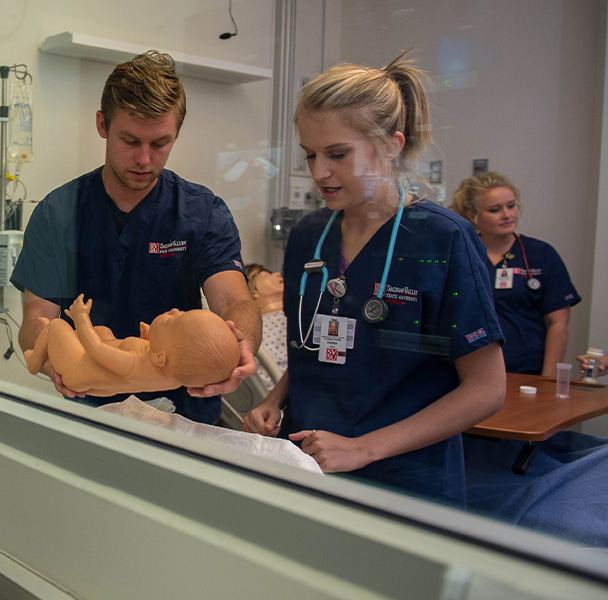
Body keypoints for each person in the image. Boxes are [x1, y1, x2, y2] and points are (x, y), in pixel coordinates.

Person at [242, 53, 506, 505]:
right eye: (310, 154)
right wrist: (274, 400)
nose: (318, 172)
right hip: (309, 466)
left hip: (405, 484)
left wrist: (364, 448)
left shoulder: (443, 239)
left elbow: (487, 390)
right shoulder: (308, 236)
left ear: (390, 145)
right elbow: (313, 347)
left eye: (337, 154)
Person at [9, 50, 260, 424]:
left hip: (184, 416)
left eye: (160, 144)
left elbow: (234, 301)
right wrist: (50, 362)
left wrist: (241, 344)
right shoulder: (57, 214)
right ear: (102, 125)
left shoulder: (201, 212)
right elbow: (35, 323)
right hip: (90, 412)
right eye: (130, 141)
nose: (144, 159)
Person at [448, 172, 580, 377]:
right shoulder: (461, 255)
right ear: (473, 216)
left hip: (527, 373)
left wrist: (548, 380)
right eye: (495, 210)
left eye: (511, 206)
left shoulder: (541, 255)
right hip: (469, 372)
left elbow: (558, 323)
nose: (507, 215)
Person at [24, 294, 240, 396]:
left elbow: (96, 349)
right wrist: (152, 338)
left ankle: (34, 359)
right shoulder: (174, 375)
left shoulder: (135, 365)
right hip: (102, 384)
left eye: (171, 321)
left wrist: (81, 318)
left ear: (159, 357)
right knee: (104, 332)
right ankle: (58, 343)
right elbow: (170, 353)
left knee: (57, 326)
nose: (174, 310)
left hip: (78, 370)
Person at [244, 263, 287, 388]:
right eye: (265, 275)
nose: (277, 274)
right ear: (254, 290)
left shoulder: (298, 319)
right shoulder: (250, 329)